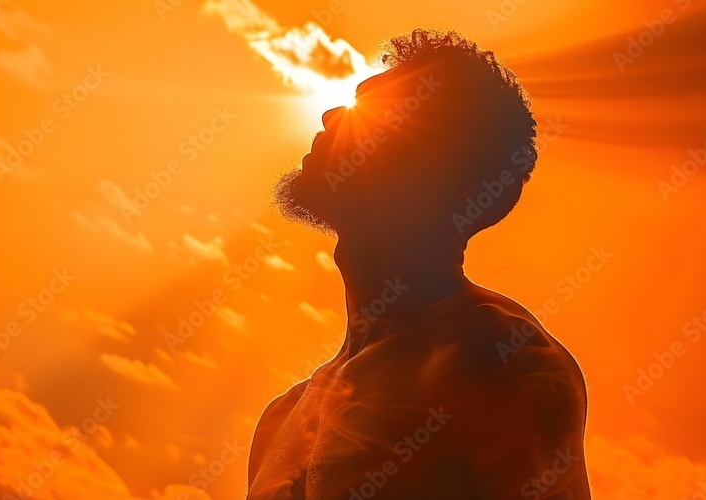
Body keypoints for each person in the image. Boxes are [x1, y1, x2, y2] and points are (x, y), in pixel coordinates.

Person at [249, 28, 590, 499]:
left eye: (382, 114)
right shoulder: (283, 416)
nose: (332, 115)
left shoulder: (501, 361)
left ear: (453, 182)